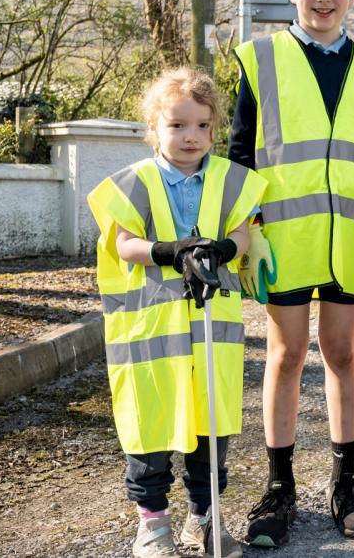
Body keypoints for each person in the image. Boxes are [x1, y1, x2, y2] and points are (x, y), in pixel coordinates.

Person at [227, 0, 354, 547]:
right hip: (284, 238)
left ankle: (347, 482)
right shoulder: (260, 58)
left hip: (352, 238)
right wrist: (244, 230)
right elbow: (239, 151)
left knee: (344, 354)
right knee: (287, 355)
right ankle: (279, 489)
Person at [87, 67, 267, 558]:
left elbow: (244, 231)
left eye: (203, 126)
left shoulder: (233, 181)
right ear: (154, 129)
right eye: (178, 125)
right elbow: (124, 245)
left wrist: (228, 247)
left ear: (215, 128)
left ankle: (204, 520)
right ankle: (152, 525)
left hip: (212, 329)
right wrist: (171, 251)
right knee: (149, 427)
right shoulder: (131, 184)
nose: (192, 136)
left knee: (212, 428)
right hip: (149, 331)